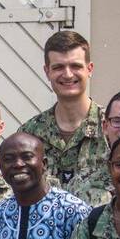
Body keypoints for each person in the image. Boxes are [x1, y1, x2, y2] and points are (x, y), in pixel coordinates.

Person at [17, 31, 107, 196]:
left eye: (75, 66)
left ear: (90, 69)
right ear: (47, 72)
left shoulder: (111, 128)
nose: (67, 74)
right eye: (58, 67)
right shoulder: (29, 133)